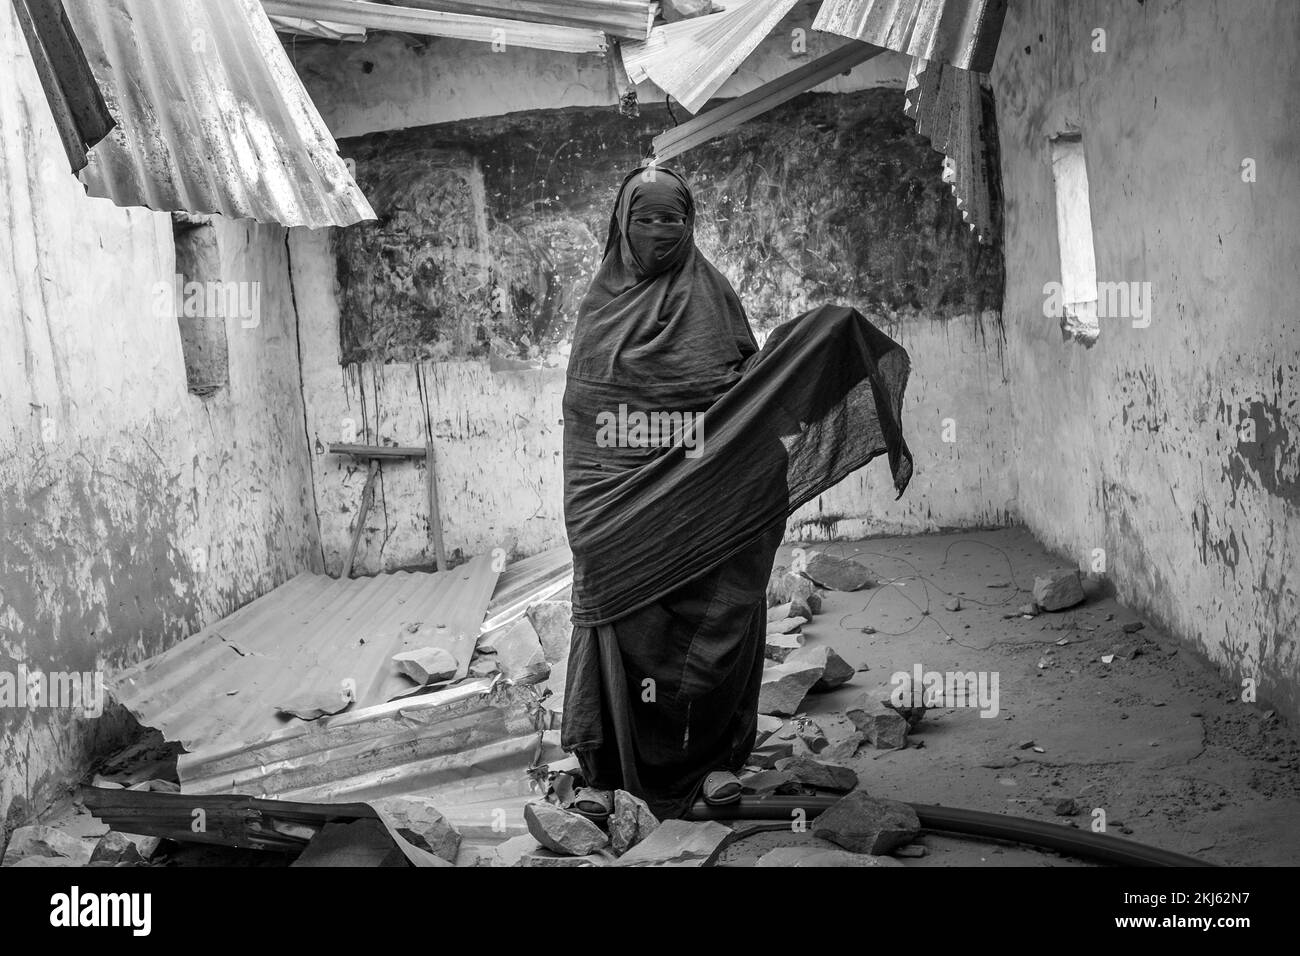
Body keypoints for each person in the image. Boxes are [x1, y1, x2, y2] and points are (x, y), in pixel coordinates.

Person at [560, 164, 913, 822]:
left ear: (691, 226)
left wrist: (808, 354)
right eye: (647, 218)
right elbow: (589, 417)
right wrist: (607, 509)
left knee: (713, 616)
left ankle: (710, 765)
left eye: (675, 219)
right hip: (613, 503)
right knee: (618, 617)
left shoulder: (712, 297)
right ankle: (601, 771)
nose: (661, 231)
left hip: (701, 497)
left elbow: (741, 397)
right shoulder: (601, 309)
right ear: (621, 223)